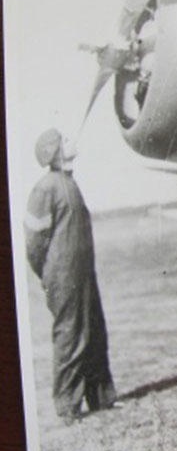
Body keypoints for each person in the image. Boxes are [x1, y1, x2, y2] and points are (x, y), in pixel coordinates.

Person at [24, 128, 117, 425]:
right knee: (71, 336)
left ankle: (101, 398)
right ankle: (67, 406)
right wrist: (49, 273)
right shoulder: (46, 188)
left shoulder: (67, 182)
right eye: (64, 139)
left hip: (82, 275)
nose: (71, 141)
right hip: (64, 277)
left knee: (94, 332)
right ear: (54, 151)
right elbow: (34, 243)